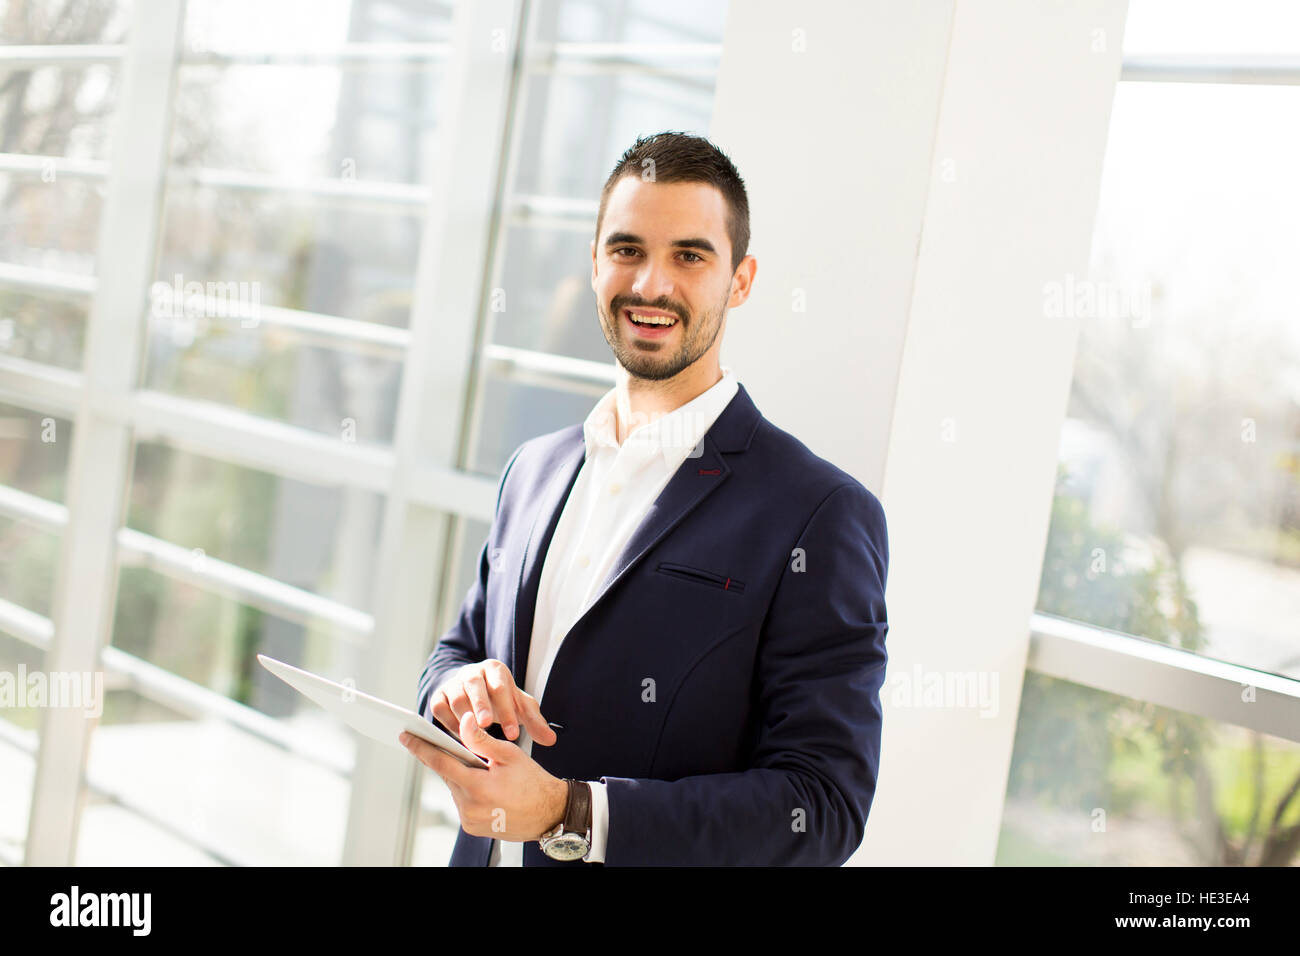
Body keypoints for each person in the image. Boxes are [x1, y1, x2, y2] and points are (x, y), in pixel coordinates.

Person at [405, 130, 889, 866]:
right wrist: (455, 688)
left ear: (741, 279)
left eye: (689, 256)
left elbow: (820, 806)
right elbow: (460, 649)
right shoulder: (534, 469)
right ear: (595, 261)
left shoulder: (817, 514)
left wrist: (574, 812)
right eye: (628, 249)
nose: (651, 286)